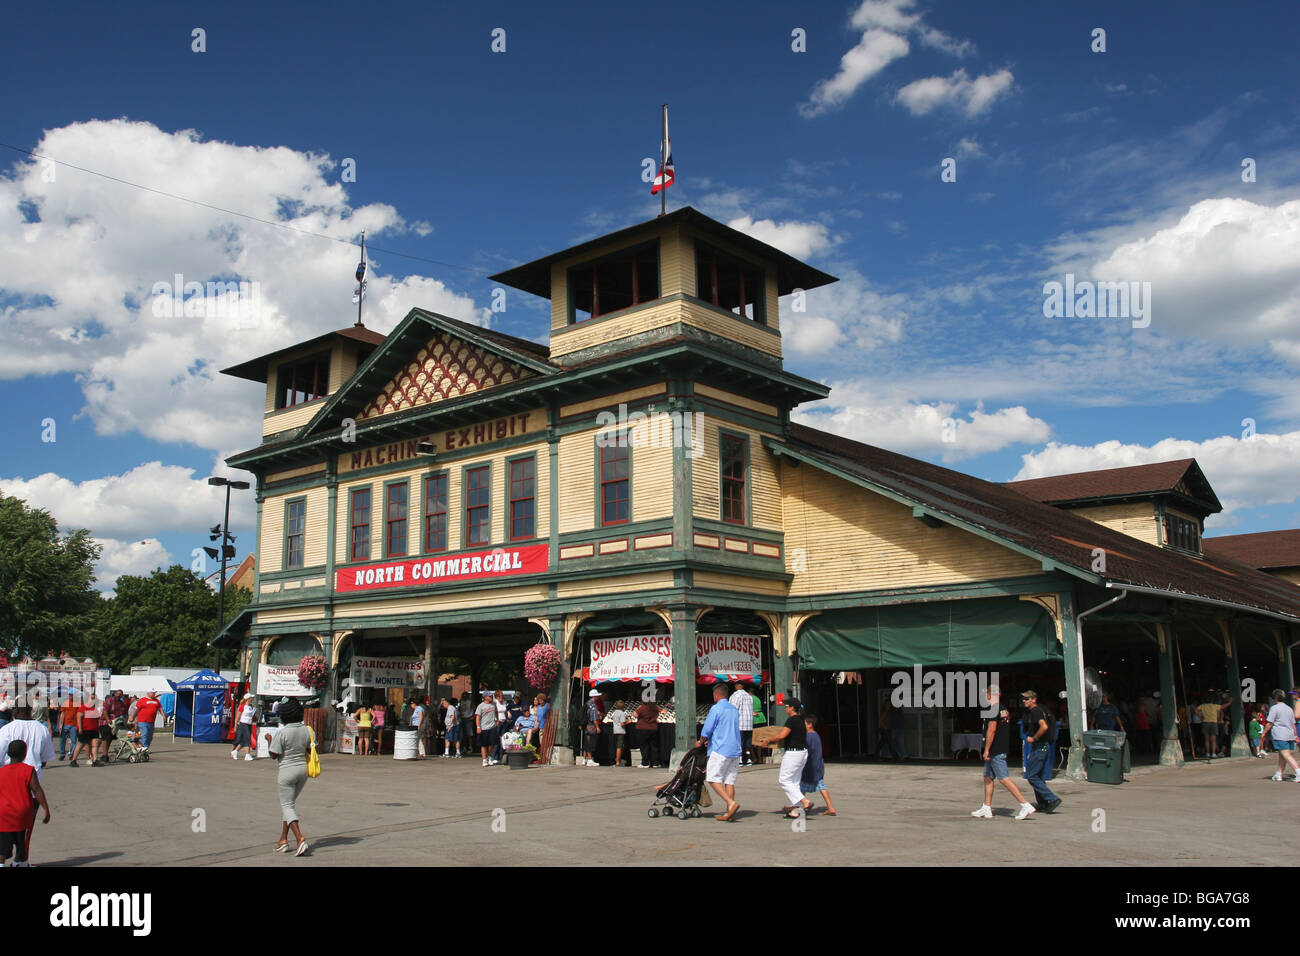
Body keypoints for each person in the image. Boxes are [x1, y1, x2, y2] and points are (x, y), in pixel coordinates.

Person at [971, 686, 1035, 821]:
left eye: (986, 694)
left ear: (991, 695)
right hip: (999, 748)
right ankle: (986, 807)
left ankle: (1025, 804)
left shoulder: (993, 710)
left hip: (995, 749)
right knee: (988, 777)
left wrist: (987, 749)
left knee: (1004, 778)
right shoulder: (1003, 709)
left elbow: (992, 730)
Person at [268, 699, 312, 856]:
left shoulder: (283, 732)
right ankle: (283, 840)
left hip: (287, 770)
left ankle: (300, 839)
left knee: (287, 806)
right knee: (290, 805)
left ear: (284, 715)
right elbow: (309, 749)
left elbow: (273, 754)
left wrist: (268, 740)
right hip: (303, 770)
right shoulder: (306, 730)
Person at [0, 741, 50, 868]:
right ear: (24, 754)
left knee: (2, 846)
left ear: (8, 754)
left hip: (4, 814)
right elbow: (36, 790)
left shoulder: (1, 772)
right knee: (21, 843)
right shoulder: (28, 770)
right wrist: (45, 808)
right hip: (23, 814)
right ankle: (19, 863)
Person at [697, 683, 742, 821]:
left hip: (720, 748)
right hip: (735, 748)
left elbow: (708, 728)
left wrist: (700, 741)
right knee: (730, 780)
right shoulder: (734, 709)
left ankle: (731, 803)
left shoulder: (716, 708)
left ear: (716, 695)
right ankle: (730, 812)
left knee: (712, 778)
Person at [767, 698, 810, 818]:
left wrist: (768, 740)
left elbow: (782, 735)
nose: (785, 708)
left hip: (793, 753)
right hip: (802, 752)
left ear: (792, 708)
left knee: (784, 780)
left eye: (786, 706)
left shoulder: (792, 720)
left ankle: (804, 801)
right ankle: (795, 811)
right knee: (794, 782)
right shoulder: (801, 720)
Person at [1020, 691, 1060, 813]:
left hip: (1040, 746)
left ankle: (1052, 799)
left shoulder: (1036, 711)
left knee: (1032, 776)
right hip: (1040, 747)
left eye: (1027, 699)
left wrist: (1034, 738)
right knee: (1038, 777)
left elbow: (1044, 726)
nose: (1024, 701)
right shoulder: (1034, 712)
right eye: (1023, 699)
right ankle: (1043, 804)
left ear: (1033, 700)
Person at [799, 713, 837, 816]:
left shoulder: (809, 737)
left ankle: (797, 807)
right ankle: (830, 807)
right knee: (820, 786)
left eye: (804, 724)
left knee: (801, 787)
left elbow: (807, 751)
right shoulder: (816, 735)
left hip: (810, 765)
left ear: (810, 724)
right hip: (818, 764)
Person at [1262, 689, 1300, 782]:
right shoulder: (1289, 708)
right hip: (1289, 734)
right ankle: (1279, 773)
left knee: (1286, 754)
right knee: (1282, 754)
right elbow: (1293, 724)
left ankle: (1298, 772)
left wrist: (1264, 732)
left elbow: (1270, 723)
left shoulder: (1274, 708)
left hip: (1280, 735)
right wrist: (1295, 735)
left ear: (1275, 698)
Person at [71, 692, 103, 767]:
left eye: (94, 698)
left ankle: (95, 760)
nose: (93, 700)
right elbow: (79, 717)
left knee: (95, 745)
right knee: (80, 745)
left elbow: (97, 719)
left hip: (94, 730)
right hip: (85, 729)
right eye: (91, 698)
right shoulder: (83, 707)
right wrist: (80, 728)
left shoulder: (95, 708)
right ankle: (73, 760)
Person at [730, 682, 755, 766]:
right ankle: (748, 758)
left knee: (739, 742)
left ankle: (739, 759)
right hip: (749, 723)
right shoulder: (749, 696)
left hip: (739, 723)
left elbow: (733, 709)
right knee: (748, 743)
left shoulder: (736, 695)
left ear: (736, 686)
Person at [633, 696, 661, 768]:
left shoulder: (642, 707)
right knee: (654, 746)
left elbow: (635, 715)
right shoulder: (655, 707)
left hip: (643, 728)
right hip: (653, 728)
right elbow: (660, 711)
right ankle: (655, 763)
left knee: (644, 746)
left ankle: (645, 763)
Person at [475, 691, 499, 767]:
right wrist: (478, 727)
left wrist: (497, 720)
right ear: (485, 697)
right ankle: (484, 759)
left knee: (492, 744)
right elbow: (478, 717)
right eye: (489, 696)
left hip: (492, 727)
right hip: (483, 728)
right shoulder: (480, 706)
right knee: (484, 744)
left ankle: (490, 757)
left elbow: (496, 712)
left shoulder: (493, 704)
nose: (491, 697)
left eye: (491, 696)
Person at [231, 693, 257, 761]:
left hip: (249, 724)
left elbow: (253, 716)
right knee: (247, 739)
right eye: (251, 697)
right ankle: (247, 755)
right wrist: (235, 726)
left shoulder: (252, 707)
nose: (252, 699)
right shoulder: (242, 706)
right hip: (243, 724)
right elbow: (237, 717)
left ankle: (235, 751)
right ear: (248, 699)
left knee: (243, 741)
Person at [582, 689, 602, 767]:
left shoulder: (587, 703)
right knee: (590, 743)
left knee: (586, 742)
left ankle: (585, 759)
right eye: (597, 695)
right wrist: (597, 727)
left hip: (586, 725)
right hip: (591, 726)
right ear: (594, 696)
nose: (598, 697)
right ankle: (590, 760)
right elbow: (593, 718)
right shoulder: (593, 705)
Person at [607, 699, 630, 766]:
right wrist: (628, 721)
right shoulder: (622, 713)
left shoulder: (615, 712)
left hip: (615, 730)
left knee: (619, 746)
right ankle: (618, 762)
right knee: (619, 747)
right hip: (621, 731)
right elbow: (622, 723)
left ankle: (618, 759)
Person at [1199, 694, 1221, 760]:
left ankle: (1208, 753)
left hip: (1205, 722)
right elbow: (1223, 707)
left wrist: (1200, 716)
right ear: (1212, 700)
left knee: (1207, 740)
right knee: (1213, 740)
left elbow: (1196, 710)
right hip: (1213, 723)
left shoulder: (1203, 706)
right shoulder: (1215, 706)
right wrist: (1230, 702)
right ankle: (1213, 753)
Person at [58, 694, 77, 760]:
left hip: (74, 724)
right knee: (62, 739)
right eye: (70, 695)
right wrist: (60, 724)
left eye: (72, 695)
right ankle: (62, 754)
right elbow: (62, 713)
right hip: (65, 724)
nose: (71, 696)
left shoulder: (78, 703)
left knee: (73, 740)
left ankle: (71, 754)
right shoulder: (65, 702)